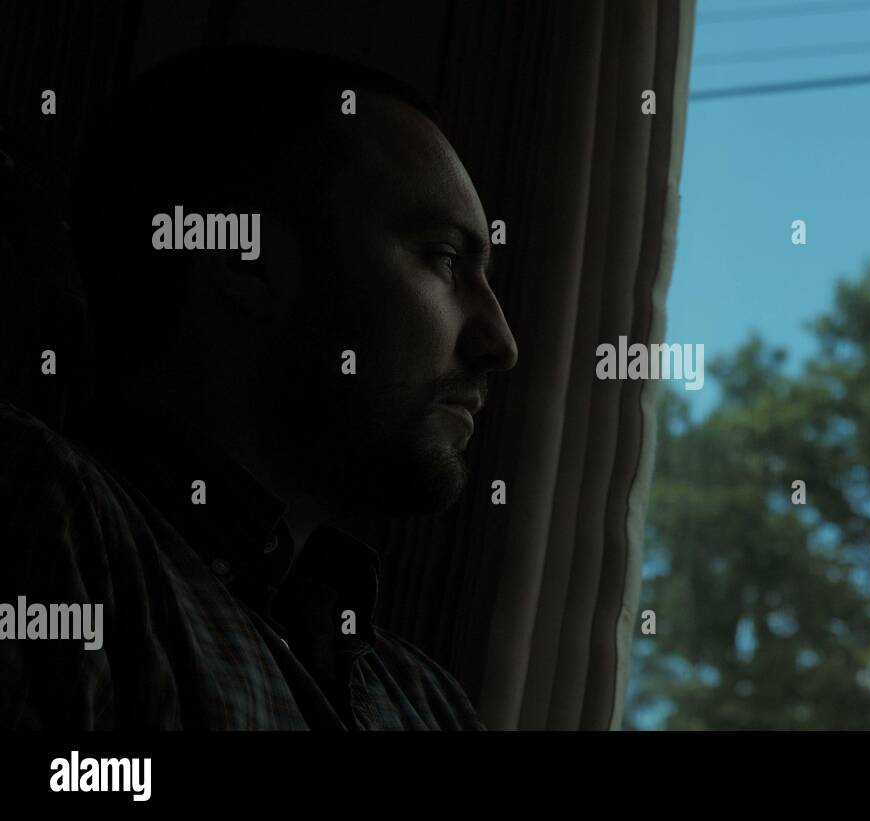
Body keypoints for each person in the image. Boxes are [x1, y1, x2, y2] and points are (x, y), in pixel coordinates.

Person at [0, 46, 517, 729]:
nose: (500, 342)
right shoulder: (47, 516)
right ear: (247, 261)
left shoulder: (430, 705)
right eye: (444, 258)